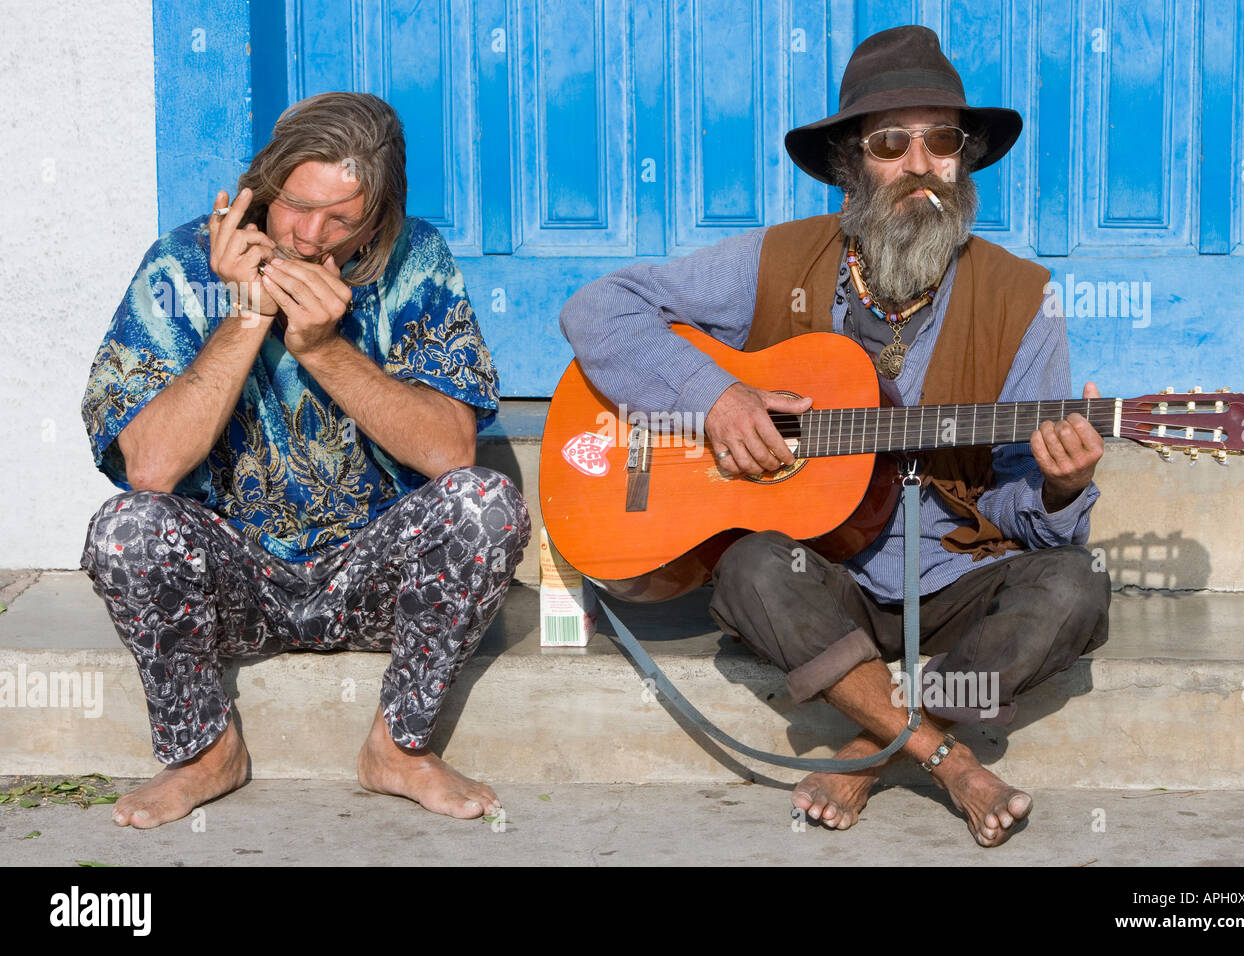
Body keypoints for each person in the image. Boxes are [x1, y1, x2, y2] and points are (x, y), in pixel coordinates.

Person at [559, 26, 1110, 847]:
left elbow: (1018, 507)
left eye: (942, 141)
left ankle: (865, 751)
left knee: (1076, 585)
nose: (920, 164)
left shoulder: (1022, 299)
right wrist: (715, 398)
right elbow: (597, 309)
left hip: (954, 577)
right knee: (748, 566)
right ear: (854, 162)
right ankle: (946, 758)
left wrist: (1060, 487)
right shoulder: (780, 258)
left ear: (963, 160)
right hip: (820, 574)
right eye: (892, 142)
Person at [80, 91, 529, 829]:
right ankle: (205, 752)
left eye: (343, 220)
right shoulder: (180, 263)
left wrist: (321, 348)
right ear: (259, 190)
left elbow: (449, 450)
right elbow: (151, 468)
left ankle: (398, 748)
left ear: (377, 220)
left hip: (371, 573)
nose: (311, 237)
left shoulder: (413, 258)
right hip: (230, 582)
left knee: (486, 502)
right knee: (126, 528)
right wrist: (248, 317)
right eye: (294, 206)